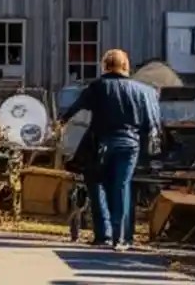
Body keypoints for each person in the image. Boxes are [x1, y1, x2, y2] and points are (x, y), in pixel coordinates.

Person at [57, 49, 161, 251]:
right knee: (122, 186)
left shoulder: (97, 87)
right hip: (130, 144)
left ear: (104, 65)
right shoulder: (142, 91)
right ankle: (121, 237)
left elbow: (75, 108)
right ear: (126, 66)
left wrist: (61, 121)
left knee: (97, 184)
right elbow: (152, 123)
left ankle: (103, 234)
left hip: (103, 143)